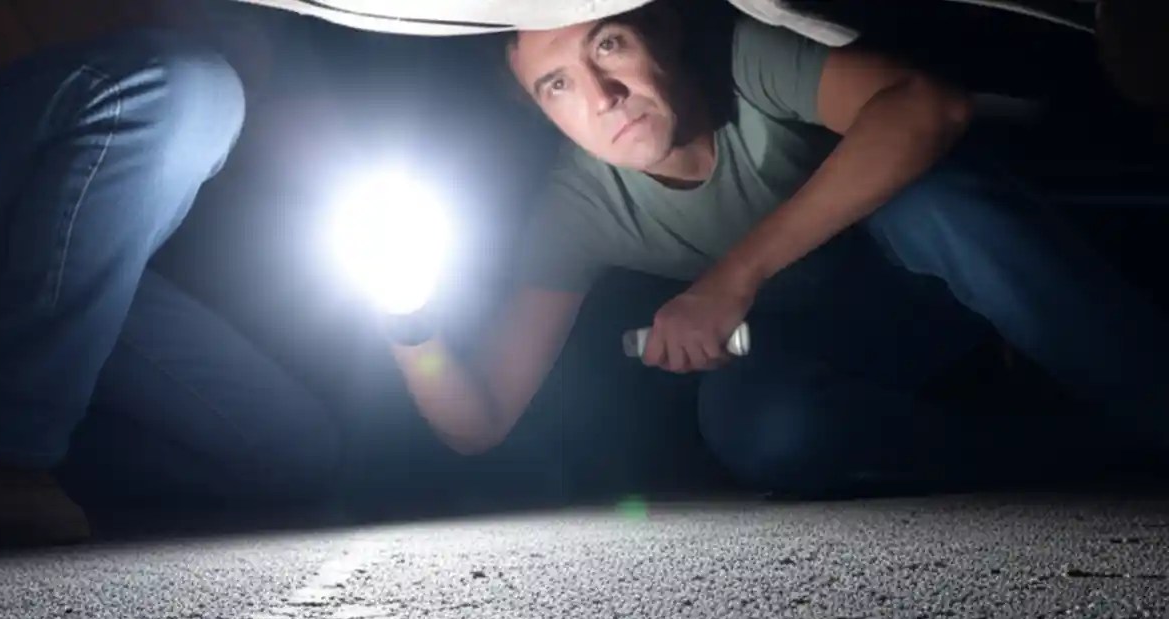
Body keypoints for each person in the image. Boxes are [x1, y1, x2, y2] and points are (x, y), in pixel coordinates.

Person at [389, 1, 1169, 496]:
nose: (600, 98)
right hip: (854, 346)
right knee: (748, 420)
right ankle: (1070, 456)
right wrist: (403, 316)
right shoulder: (577, 207)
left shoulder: (745, 57)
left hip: (944, 281)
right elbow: (479, 420)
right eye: (555, 86)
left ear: (662, 30)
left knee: (938, 203)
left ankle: (1151, 402)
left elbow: (929, 107)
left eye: (610, 44)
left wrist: (731, 278)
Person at [0, 0, 340, 546]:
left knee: (289, 448)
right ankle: (0, 461)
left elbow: (298, 136)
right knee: (189, 87)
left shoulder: (252, 23)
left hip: (54, 256)